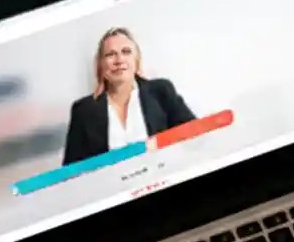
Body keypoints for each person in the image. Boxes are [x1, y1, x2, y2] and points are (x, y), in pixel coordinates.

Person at [62, 27, 196, 165]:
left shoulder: (161, 91)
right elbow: (70, 173)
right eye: (110, 54)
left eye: (126, 52)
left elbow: (196, 139)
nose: (119, 60)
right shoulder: (83, 110)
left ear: (136, 59)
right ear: (100, 65)